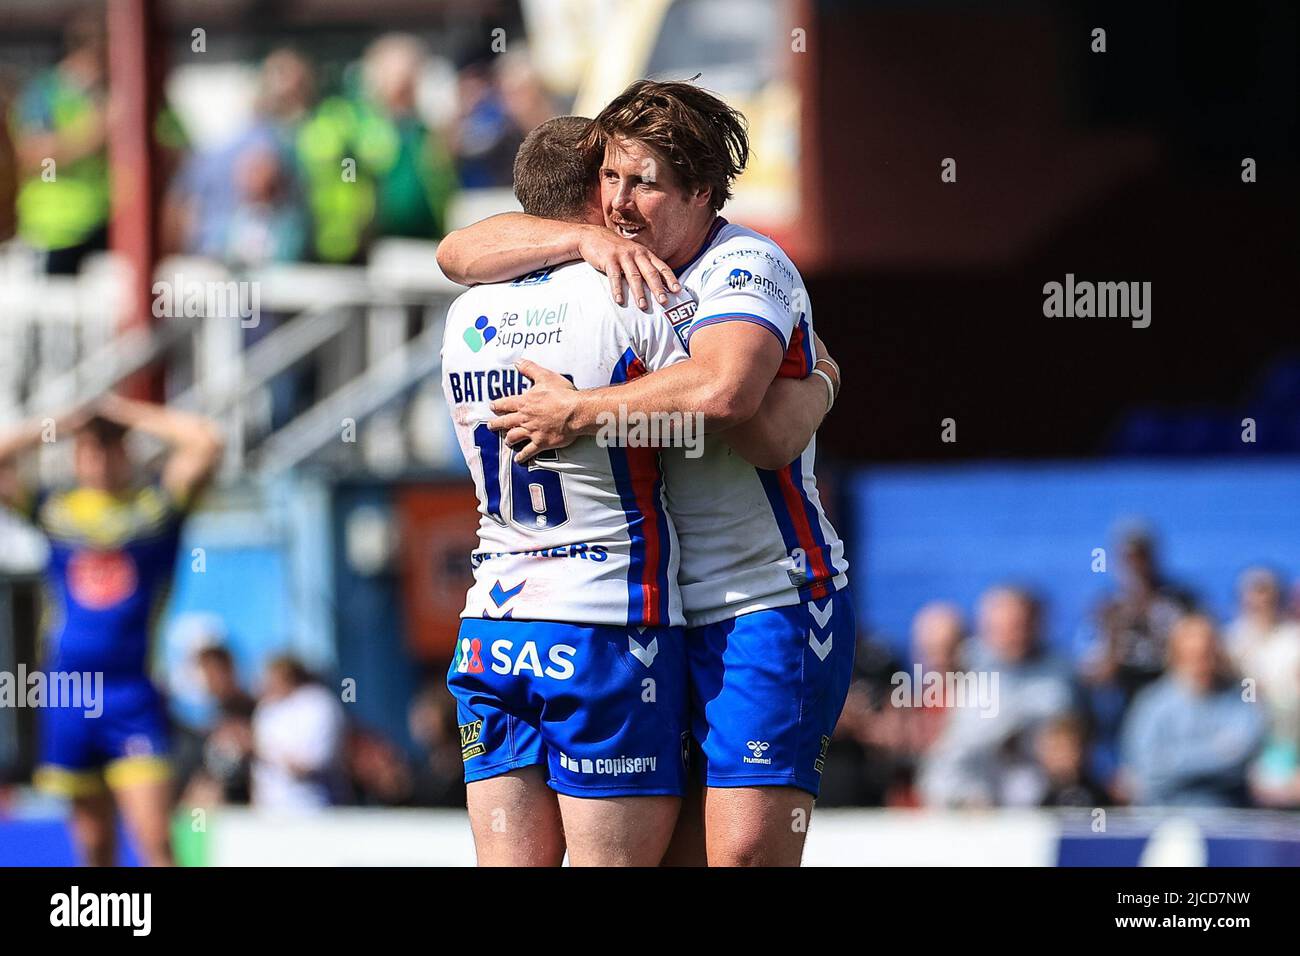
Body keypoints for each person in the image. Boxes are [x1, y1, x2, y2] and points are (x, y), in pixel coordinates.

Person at [438, 80, 853, 866]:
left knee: (739, 858)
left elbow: (735, 405)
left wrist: (583, 411)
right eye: (611, 180)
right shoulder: (611, 268)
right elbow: (457, 251)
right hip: (657, 614)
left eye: (646, 183)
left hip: (766, 597)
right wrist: (580, 241)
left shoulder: (744, 265)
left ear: (701, 191)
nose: (622, 204)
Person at [0, 394, 224, 865]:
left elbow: (207, 442)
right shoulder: (56, 511)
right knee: (94, 844)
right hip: (68, 691)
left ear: (128, 453)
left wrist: (130, 412)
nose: (100, 461)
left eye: (111, 448)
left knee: (154, 837)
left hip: (131, 690)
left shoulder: (154, 510)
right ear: (78, 456)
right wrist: (56, 422)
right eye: (90, 450)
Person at [1120, 613, 1266, 807]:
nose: (1200, 664)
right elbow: (1144, 766)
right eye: (1191, 656)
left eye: (1206, 654)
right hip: (1160, 816)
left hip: (1224, 815)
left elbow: (1238, 759)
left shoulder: (1240, 700)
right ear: (1176, 656)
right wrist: (1215, 752)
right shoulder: (1152, 703)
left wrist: (1170, 758)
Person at [250, 656, 346, 811]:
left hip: (312, 808)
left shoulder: (320, 704)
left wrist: (282, 759)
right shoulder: (266, 709)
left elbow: (315, 761)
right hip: (269, 810)